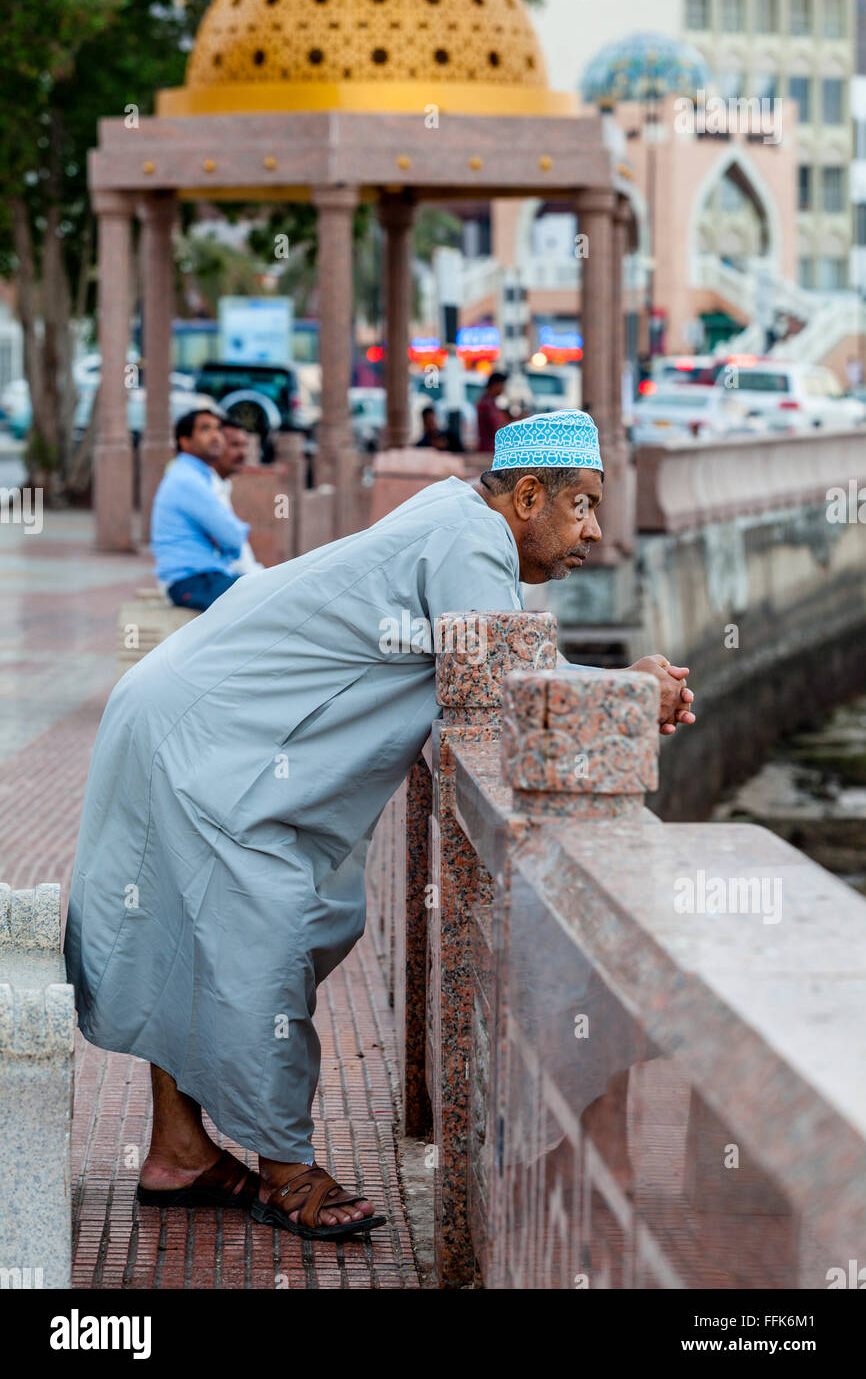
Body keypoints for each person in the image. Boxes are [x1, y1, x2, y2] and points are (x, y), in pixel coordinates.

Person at [65, 409, 695, 1242]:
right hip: (204, 742)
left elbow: (496, 660)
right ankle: (287, 1171)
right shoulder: (469, 541)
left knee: (202, 934)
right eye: (581, 507)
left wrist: (623, 684)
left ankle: (178, 1154)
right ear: (529, 495)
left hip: (187, 718)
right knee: (260, 936)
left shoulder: (461, 521)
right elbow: (514, 684)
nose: (594, 531)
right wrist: (634, 688)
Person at [150, 409, 252, 611]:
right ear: (185, 442)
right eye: (205, 429)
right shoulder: (187, 479)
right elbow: (232, 537)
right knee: (263, 604)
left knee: (268, 594)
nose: (216, 436)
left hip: (206, 577)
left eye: (218, 430)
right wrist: (229, 539)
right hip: (192, 581)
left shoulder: (197, 476)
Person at [210, 418, 264, 575]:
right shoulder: (204, 485)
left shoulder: (223, 484)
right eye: (234, 445)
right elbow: (233, 544)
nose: (243, 453)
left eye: (244, 445)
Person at [476, 370, 512, 453]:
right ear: (496, 385)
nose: (504, 388)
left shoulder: (488, 401)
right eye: (503, 385)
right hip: (489, 450)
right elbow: (498, 428)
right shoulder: (487, 404)